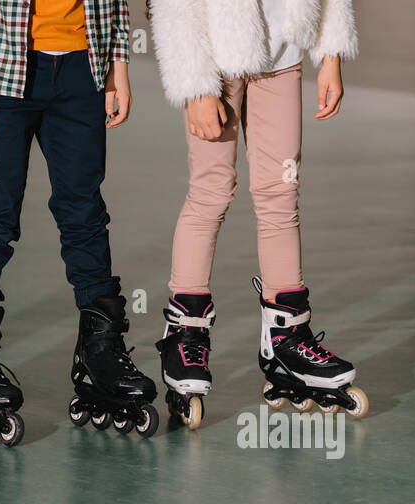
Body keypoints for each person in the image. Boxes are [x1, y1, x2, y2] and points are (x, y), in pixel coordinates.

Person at [0, 0, 157, 440]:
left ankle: (100, 347)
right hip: (2, 66)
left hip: (83, 67)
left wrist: (118, 64)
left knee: (84, 210)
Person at [149, 0, 367, 430]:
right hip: (216, 62)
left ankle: (287, 337)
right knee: (210, 192)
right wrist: (194, 84)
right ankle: (185, 334)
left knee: (281, 195)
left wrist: (331, 54)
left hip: (283, 57)